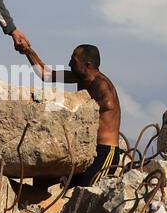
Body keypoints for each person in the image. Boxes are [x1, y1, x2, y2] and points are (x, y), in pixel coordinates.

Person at [25, 43, 122, 187]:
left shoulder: (101, 85)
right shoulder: (80, 78)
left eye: (74, 61)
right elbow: (47, 75)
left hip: (104, 152)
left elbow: (107, 104)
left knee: (87, 194)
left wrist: (74, 107)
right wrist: (28, 51)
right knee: (45, 178)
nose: (69, 63)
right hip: (84, 150)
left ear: (87, 65)